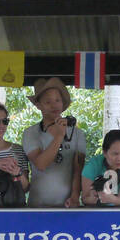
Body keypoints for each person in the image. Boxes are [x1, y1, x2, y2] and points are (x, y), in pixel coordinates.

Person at [22, 78, 85, 208]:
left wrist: (74, 196)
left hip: (68, 205)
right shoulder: (30, 133)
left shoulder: (78, 134)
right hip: (37, 206)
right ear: (38, 105)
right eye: (48, 101)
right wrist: (59, 136)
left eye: (58, 100)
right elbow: (41, 164)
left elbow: (78, 169)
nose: (54, 105)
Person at [80, 130, 120, 207]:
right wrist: (95, 198)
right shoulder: (92, 165)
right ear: (104, 152)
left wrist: (111, 199)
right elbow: (85, 199)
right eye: (115, 154)